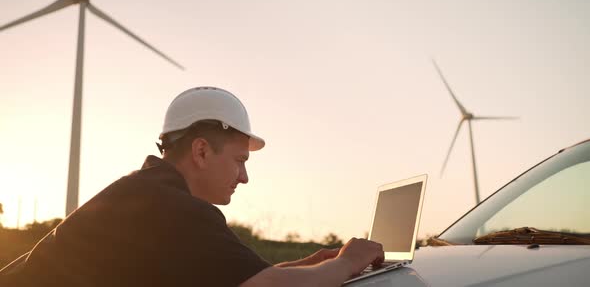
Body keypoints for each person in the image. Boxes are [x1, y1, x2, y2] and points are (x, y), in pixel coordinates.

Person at [0, 86, 384, 287]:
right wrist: (349, 262)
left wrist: (309, 266)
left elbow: (235, 276)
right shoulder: (171, 208)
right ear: (201, 151)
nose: (244, 177)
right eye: (239, 160)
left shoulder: (151, 193)